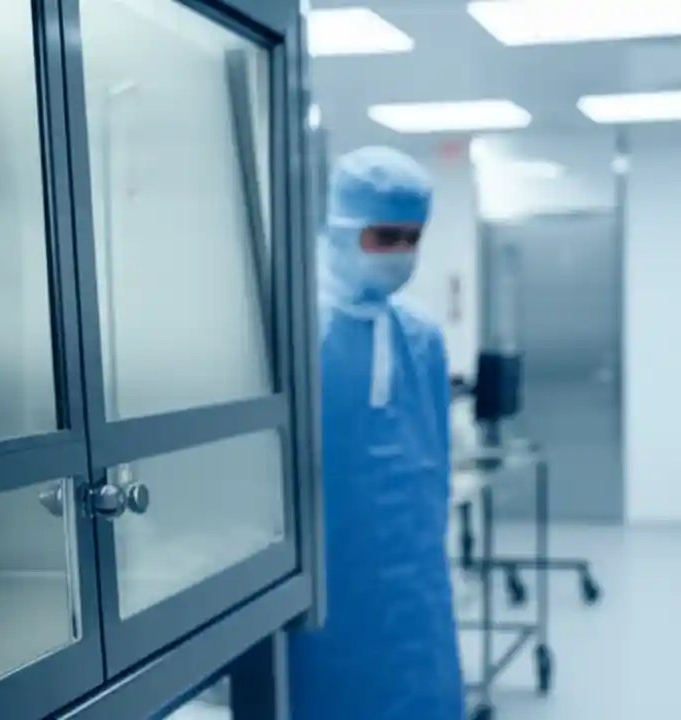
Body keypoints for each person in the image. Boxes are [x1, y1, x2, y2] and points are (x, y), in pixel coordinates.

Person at [288, 146, 464, 719]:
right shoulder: (299, 333)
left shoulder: (420, 336)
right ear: (342, 230)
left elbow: (435, 463)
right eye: (384, 237)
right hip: (330, 582)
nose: (400, 254)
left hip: (415, 584)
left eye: (411, 239)